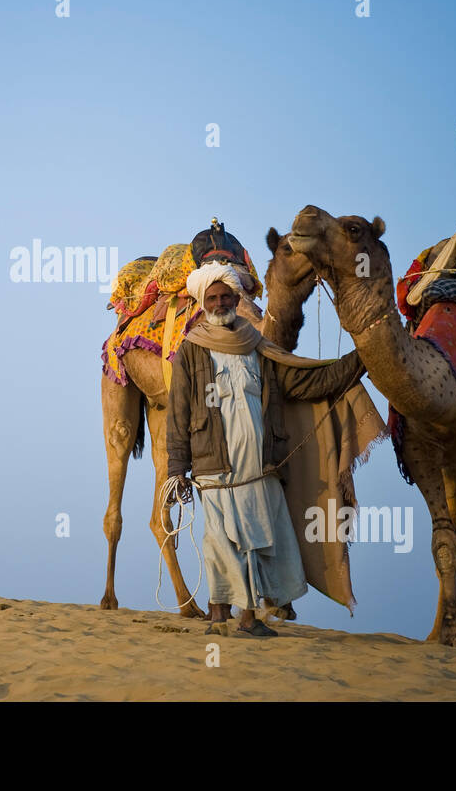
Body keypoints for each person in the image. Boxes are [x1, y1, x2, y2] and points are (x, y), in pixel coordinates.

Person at [167, 262, 366, 636]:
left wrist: (361, 358)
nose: (220, 301)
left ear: (236, 298)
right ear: (203, 302)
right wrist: (176, 470)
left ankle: (246, 619)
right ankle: (220, 619)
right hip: (214, 467)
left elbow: (307, 383)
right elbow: (178, 415)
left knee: (259, 541)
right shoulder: (191, 351)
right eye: (213, 297)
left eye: (227, 295)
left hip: (261, 465)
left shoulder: (258, 347)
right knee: (220, 542)